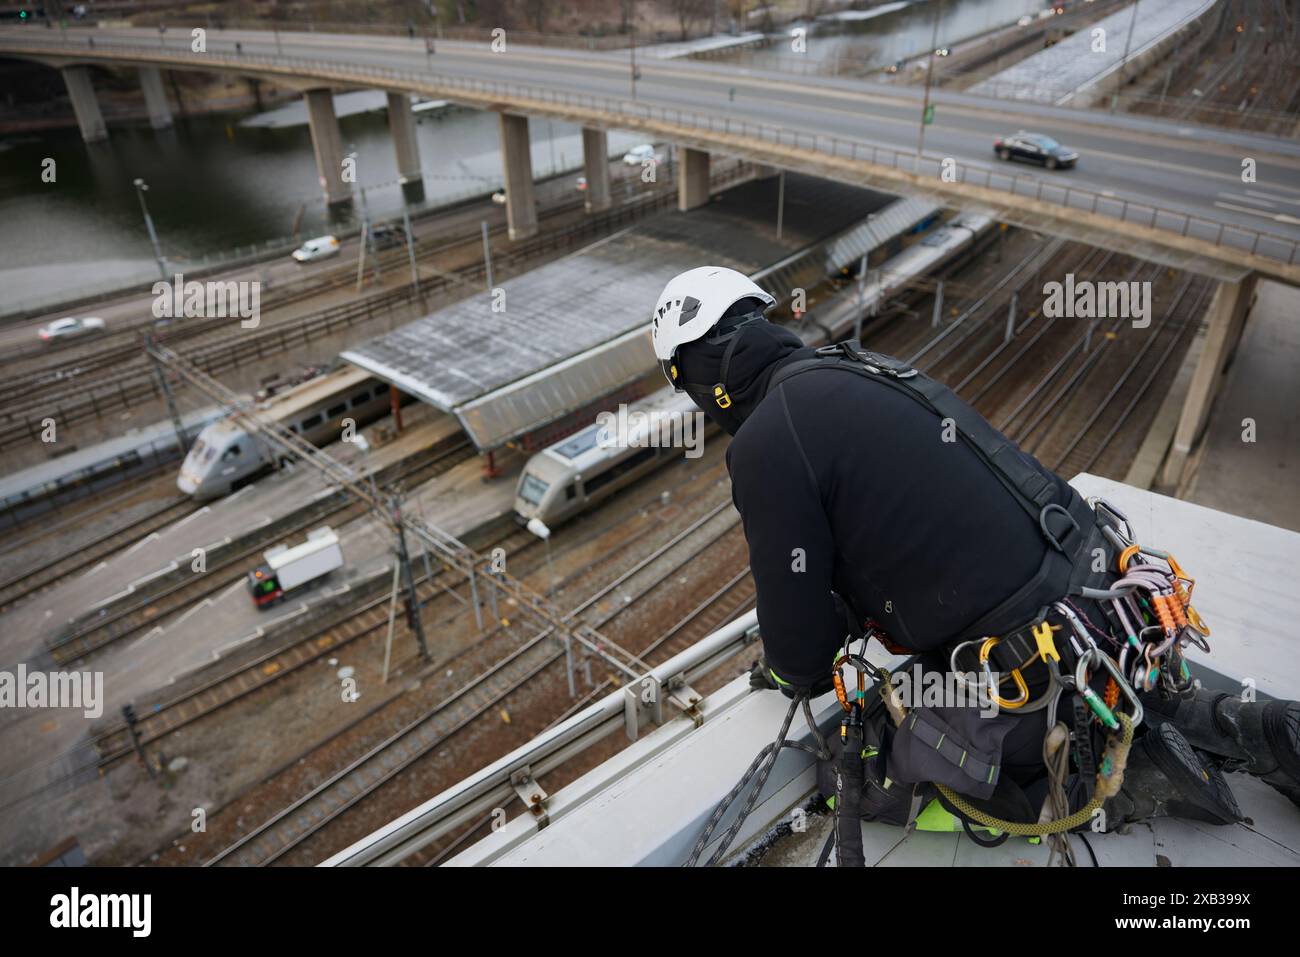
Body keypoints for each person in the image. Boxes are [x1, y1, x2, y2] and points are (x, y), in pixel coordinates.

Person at [651, 265, 1300, 837]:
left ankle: (1117, 782)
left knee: (868, 774)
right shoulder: (854, 366)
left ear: (702, 377)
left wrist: (791, 670)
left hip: (1034, 663)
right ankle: (1236, 722)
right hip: (1108, 602)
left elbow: (798, 648)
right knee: (1128, 694)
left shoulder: (764, 441)